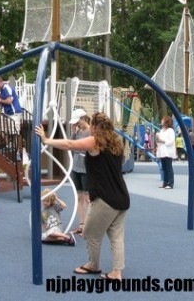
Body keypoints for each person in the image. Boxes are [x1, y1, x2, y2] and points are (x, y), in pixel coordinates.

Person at [36, 112, 130, 280]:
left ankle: (94, 265)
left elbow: (71, 144)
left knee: (90, 233)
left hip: (106, 198)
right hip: (121, 196)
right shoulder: (116, 143)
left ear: (94, 127)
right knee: (116, 236)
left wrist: (46, 140)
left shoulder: (96, 142)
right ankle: (117, 272)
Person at [68, 109, 92, 234]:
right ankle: (82, 224)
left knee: (87, 198)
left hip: (86, 168)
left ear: (83, 118)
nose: (76, 124)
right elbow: (71, 145)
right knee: (79, 197)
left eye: (78, 122)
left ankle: (88, 225)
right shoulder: (77, 132)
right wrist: (73, 133)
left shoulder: (90, 132)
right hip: (76, 167)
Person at [155, 116, 175, 189]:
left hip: (168, 151)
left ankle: (170, 183)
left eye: (163, 120)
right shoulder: (161, 130)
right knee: (164, 168)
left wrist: (162, 141)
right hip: (162, 151)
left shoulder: (170, 130)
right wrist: (157, 139)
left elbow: (171, 141)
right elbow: (158, 141)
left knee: (168, 167)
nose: (161, 121)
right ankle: (165, 182)